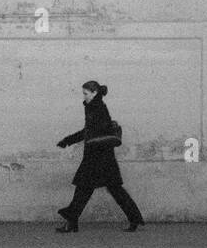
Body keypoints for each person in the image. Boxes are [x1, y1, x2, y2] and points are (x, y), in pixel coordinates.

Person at [55, 80, 145, 233]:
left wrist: (68, 140)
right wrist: (68, 140)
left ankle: (71, 220)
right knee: (90, 190)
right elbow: (89, 131)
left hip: (99, 158)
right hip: (99, 157)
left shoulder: (98, 108)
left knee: (91, 189)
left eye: (86, 93)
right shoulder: (93, 107)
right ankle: (72, 221)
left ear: (94, 93)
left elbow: (95, 131)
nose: (84, 97)